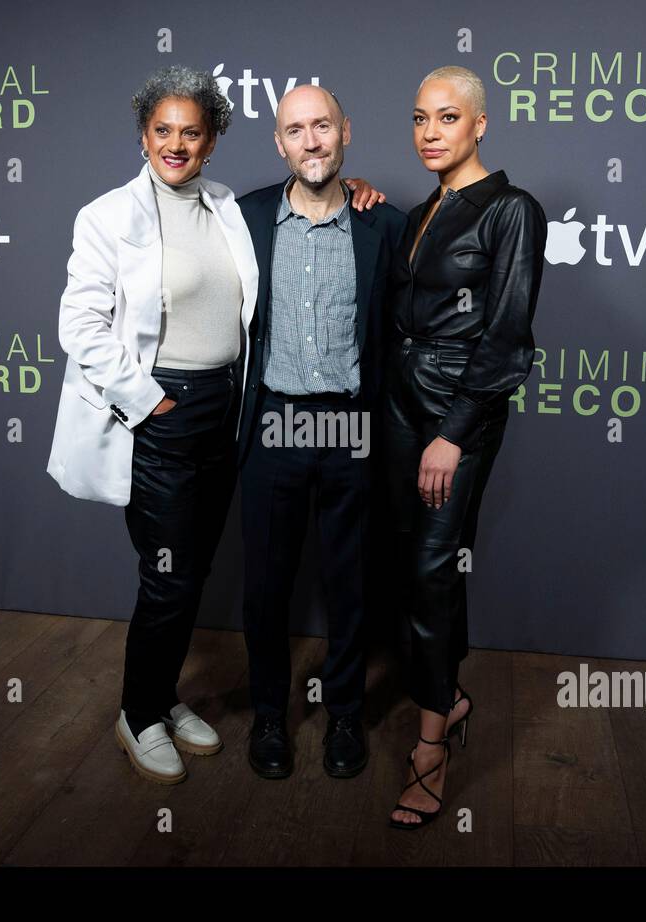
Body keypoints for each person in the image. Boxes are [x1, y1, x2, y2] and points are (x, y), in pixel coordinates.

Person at [46, 65, 383, 786]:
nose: (175, 144)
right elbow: (80, 324)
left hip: (230, 411)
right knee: (168, 577)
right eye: (162, 131)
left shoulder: (230, 206)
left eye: (190, 132)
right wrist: (151, 403)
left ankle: (163, 699)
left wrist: (359, 193)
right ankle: (140, 715)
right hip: (161, 412)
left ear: (212, 142)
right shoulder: (108, 215)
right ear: (144, 136)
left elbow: (320, 211)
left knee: (193, 570)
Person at [384, 66, 548, 827]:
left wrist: (453, 433)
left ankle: (430, 746)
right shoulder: (420, 211)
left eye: (446, 118)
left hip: (457, 412)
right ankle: (447, 698)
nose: (429, 133)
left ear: (481, 123)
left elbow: (508, 335)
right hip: (395, 405)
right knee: (407, 566)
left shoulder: (512, 210)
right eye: (420, 118)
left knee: (431, 569)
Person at [234, 85, 406, 780]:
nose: (311, 140)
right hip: (272, 419)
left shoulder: (383, 225)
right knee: (266, 588)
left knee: (350, 584)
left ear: (346, 133)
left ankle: (343, 717)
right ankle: (271, 716)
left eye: (323, 126)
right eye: (295, 129)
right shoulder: (243, 219)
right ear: (279, 143)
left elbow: (405, 336)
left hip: (351, 426)